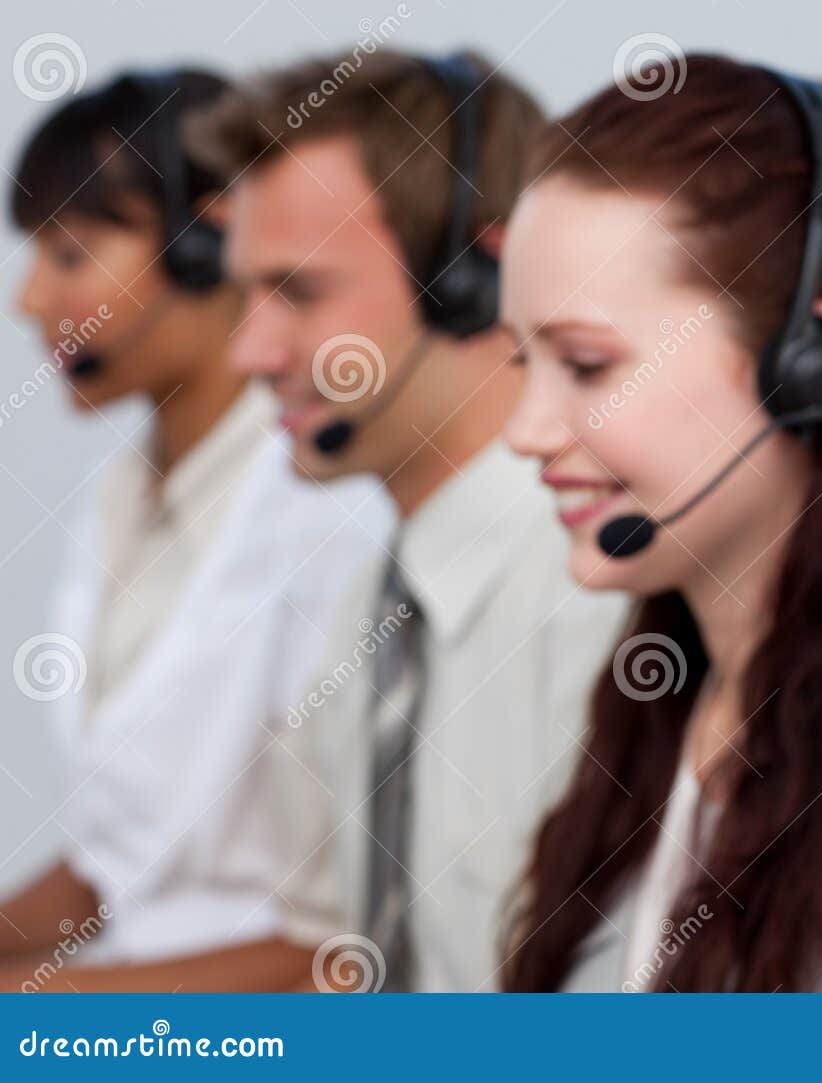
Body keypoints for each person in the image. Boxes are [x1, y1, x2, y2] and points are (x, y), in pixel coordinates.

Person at [497, 55, 822, 993]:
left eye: (584, 364)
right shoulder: (654, 709)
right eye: (520, 361)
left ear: (812, 366)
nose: (525, 430)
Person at [178, 48, 631, 993]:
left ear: (474, 278)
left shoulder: (606, 602)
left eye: (299, 292)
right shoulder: (363, 619)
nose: (251, 350)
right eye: (244, 294)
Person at [1, 69, 388, 990]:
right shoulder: (123, 493)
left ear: (211, 245)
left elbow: (347, 944)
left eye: (73, 253)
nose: (30, 299)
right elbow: (124, 864)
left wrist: (37, 1004)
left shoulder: (330, 511)